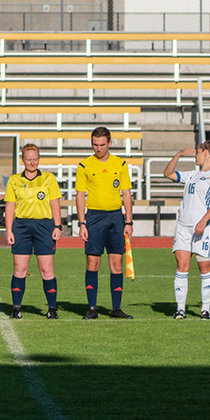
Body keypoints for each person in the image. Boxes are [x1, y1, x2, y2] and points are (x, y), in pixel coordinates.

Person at [75, 125, 135, 320]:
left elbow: (126, 193)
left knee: (116, 263)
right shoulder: (84, 166)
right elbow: (80, 195)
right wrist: (82, 223)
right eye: (95, 145)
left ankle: (116, 308)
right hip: (93, 218)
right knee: (93, 262)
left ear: (109, 143)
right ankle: (92, 308)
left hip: (116, 218)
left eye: (102, 144)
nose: (98, 148)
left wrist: (129, 221)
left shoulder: (121, 165)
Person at [164, 141, 210, 320]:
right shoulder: (192, 175)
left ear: (206, 153)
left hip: (203, 228)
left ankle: (205, 310)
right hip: (184, 226)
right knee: (182, 266)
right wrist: (178, 154)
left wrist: (204, 220)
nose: (195, 155)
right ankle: (180, 309)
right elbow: (167, 173)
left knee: (204, 267)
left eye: (197, 152)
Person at [8, 143, 65, 319]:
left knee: (46, 269)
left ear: (38, 159)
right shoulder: (14, 180)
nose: (32, 162)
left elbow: (55, 204)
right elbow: (10, 207)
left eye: (35, 159)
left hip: (44, 227)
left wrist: (57, 226)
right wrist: (9, 230)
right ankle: (16, 308)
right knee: (20, 269)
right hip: (21, 227)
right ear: (23, 160)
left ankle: (52, 308)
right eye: (28, 159)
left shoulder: (48, 179)